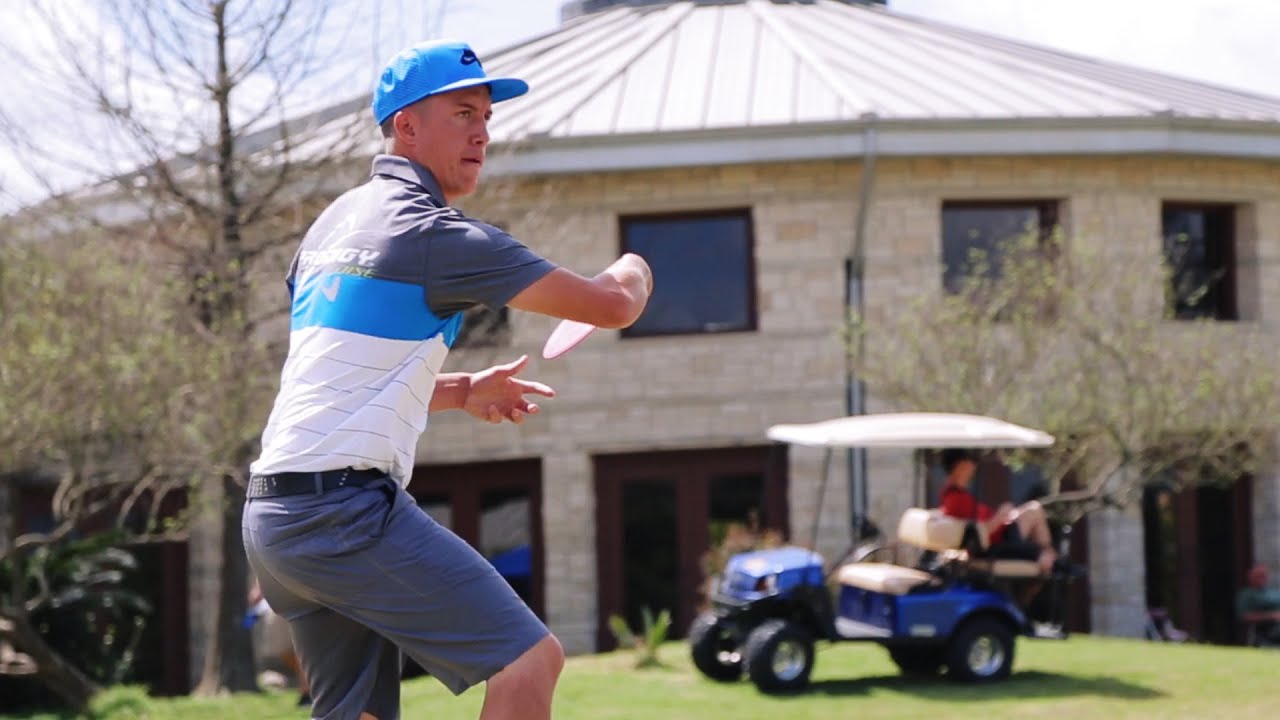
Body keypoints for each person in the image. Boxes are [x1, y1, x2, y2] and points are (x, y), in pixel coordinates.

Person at [241, 38, 653, 720]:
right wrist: (636, 265)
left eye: (486, 116)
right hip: (343, 512)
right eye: (463, 114)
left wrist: (461, 391)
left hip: (274, 519)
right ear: (406, 126)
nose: (482, 133)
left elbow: (337, 381)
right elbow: (611, 306)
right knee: (529, 661)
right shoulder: (435, 234)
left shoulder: (330, 226)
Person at [936, 448, 1057, 575]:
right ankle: (1050, 555)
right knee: (1035, 511)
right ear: (961, 466)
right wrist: (1000, 516)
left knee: (1034, 509)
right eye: (971, 463)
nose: (973, 468)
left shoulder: (953, 495)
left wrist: (1002, 515)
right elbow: (980, 534)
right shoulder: (957, 499)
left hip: (1000, 535)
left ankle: (1049, 554)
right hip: (998, 543)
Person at [246, 581, 312, 707]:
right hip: (288, 601)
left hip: (303, 598)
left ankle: (307, 693)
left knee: (304, 650)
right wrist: (259, 587)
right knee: (300, 651)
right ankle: (307, 693)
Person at [1237, 564, 1280, 646]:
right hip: (1266, 631)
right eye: (1260, 575)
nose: (1263, 578)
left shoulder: (1275, 592)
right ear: (1251, 577)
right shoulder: (1246, 594)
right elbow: (1244, 616)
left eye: (1264, 575)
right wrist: (1272, 616)